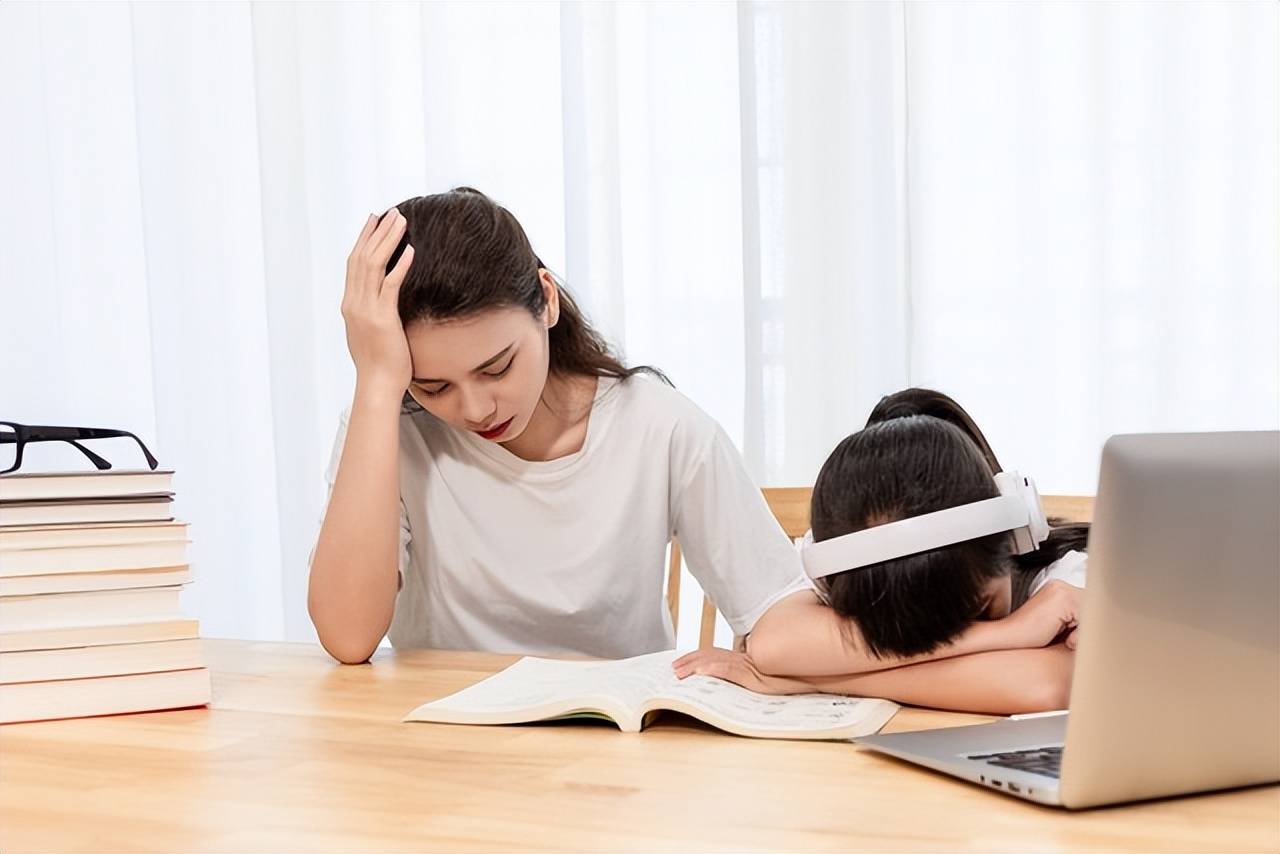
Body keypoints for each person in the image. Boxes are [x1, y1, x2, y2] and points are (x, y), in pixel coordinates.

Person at [307, 187, 812, 664]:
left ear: (546, 300)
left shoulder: (660, 428)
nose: (476, 409)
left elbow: (778, 605)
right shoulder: (387, 428)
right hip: (440, 726)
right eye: (434, 387)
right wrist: (377, 383)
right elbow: (348, 636)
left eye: (497, 368)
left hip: (616, 725)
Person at [674, 389, 1089, 714]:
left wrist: (812, 680)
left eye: (980, 612)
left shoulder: (1072, 577)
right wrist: (1009, 632)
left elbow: (1045, 686)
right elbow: (774, 645)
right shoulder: (859, 570)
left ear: (1013, 535)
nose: (964, 632)